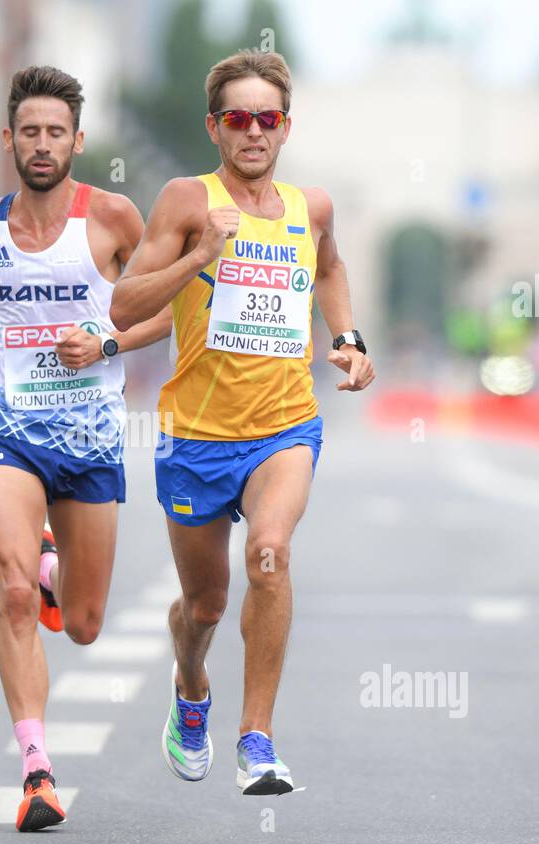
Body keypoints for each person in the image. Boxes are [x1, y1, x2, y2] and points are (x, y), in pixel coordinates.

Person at [109, 50, 375, 795]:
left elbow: (328, 267)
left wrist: (348, 339)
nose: (253, 132)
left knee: (270, 554)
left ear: (285, 128)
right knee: (205, 604)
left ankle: (257, 738)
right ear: (214, 127)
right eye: (238, 119)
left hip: (284, 427)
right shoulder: (185, 201)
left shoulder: (310, 207)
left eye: (267, 119)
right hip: (195, 436)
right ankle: (190, 686)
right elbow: (126, 306)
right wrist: (200, 254)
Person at [0, 65, 172, 832]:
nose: (42, 146)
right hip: (9, 427)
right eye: (29, 132)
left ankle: (50, 568)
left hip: (92, 436)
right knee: (8, 593)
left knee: (84, 622)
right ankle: (36, 770)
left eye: (55, 133)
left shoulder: (112, 218)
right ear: (9, 139)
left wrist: (106, 338)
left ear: (78, 140)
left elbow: (173, 309)